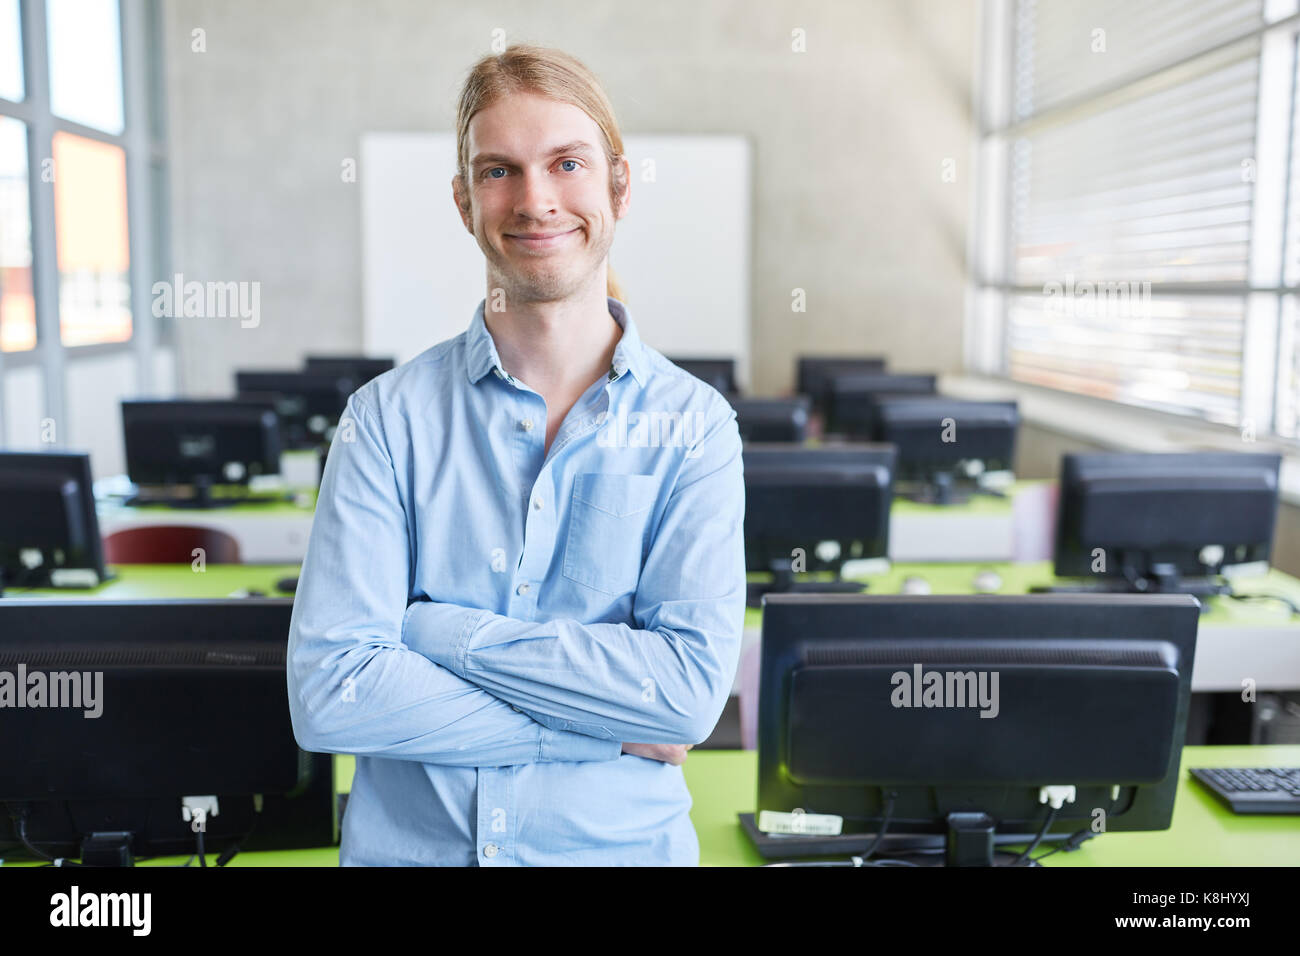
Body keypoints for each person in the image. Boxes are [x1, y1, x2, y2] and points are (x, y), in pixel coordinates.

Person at [286, 44, 746, 866]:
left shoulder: (695, 427)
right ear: (465, 201)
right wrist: (598, 734)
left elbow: (681, 699)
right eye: (499, 171)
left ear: (618, 186)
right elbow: (334, 695)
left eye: (566, 163)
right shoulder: (383, 421)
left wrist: (435, 632)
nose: (536, 200)